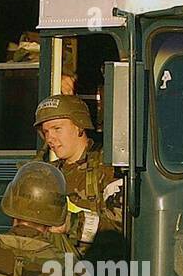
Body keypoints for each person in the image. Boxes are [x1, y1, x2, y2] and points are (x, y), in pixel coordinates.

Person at [34, 94, 124, 261]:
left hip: (98, 274)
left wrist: (69, 223)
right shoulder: (49, 174)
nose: (50, 138)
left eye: (57, 129)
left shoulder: (108, 168)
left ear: (79, 126)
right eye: (46, 132)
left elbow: (119, 229)